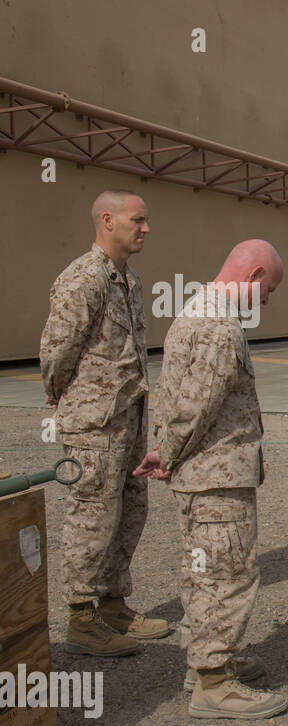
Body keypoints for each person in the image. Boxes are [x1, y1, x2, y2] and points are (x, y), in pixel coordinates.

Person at [134, 240, 288, 718]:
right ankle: (214, 682)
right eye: (268, 289)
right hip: (216, 476)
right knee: (227, 575)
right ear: (254, 274)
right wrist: (167, 453)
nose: (267, 301)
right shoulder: (220, 327)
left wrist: (167, 451)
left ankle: (206, 661)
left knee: (204, 571)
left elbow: (180, 397)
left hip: (201, 474)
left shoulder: (195, 311)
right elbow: (196, 405)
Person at [39, 190, 170, 656]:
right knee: (92, 518)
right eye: (138, 220)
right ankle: (81, 618)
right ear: (108, 220)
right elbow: (56, 352)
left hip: (128, 418)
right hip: (95, 423)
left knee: (130, 511)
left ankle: (113, 604)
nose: (145, 228)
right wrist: (68, 402)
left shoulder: (127, 279)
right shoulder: (83, 278)